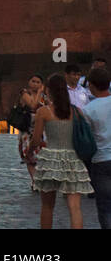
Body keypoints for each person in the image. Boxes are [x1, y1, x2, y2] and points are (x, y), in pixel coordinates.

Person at [29, 72, 93, 228]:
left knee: (47, 206)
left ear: (49, 91)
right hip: (73, 159)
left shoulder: (44, 112)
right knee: (75, 208)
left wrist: (29, 151)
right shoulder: (76, 111)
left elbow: (36, 140)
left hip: (50, 160)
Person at [82, 65, 111, 229]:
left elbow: (87, 139)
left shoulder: (88, 110)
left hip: (101, 160)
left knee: (105, 207)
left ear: (92, 85)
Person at [18, 73, 47, 191]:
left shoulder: (44, 96)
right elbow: (33, 105)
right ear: (29, 82)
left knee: (42, 157)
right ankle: (35, 181)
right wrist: (40, 92)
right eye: (33, 81)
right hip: (27, 130)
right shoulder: (25, 93)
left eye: (38, 82)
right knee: (29, 157)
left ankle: (40, 180)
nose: (35, 84)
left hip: (41, 130)